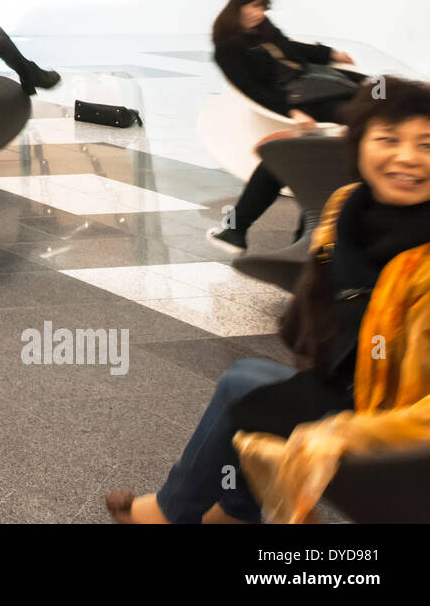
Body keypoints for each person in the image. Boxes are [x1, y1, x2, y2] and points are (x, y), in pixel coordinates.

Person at [107, 77, 430, 523]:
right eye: (388, 139)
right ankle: (230, 512)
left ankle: (172, 513)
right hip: (358, 385)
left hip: (399, 431)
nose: (408, 158)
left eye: (427, 145)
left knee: (251, 394)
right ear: (359, 147)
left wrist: (347, 431)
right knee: (245, 381)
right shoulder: (350, 208)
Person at [207, 0, 363, 253]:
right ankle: (292, 238)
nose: (258, 13)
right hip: (297, 100)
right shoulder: (228, 48)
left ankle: (253, 232)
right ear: (238, 6)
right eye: (253, 6)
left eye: (262, 8)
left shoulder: (265, 30)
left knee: (373, 95)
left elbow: (294, 49)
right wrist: (290, 110)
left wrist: (330, 53)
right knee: (302, 157)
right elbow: (253, 89)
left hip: (313, 87)